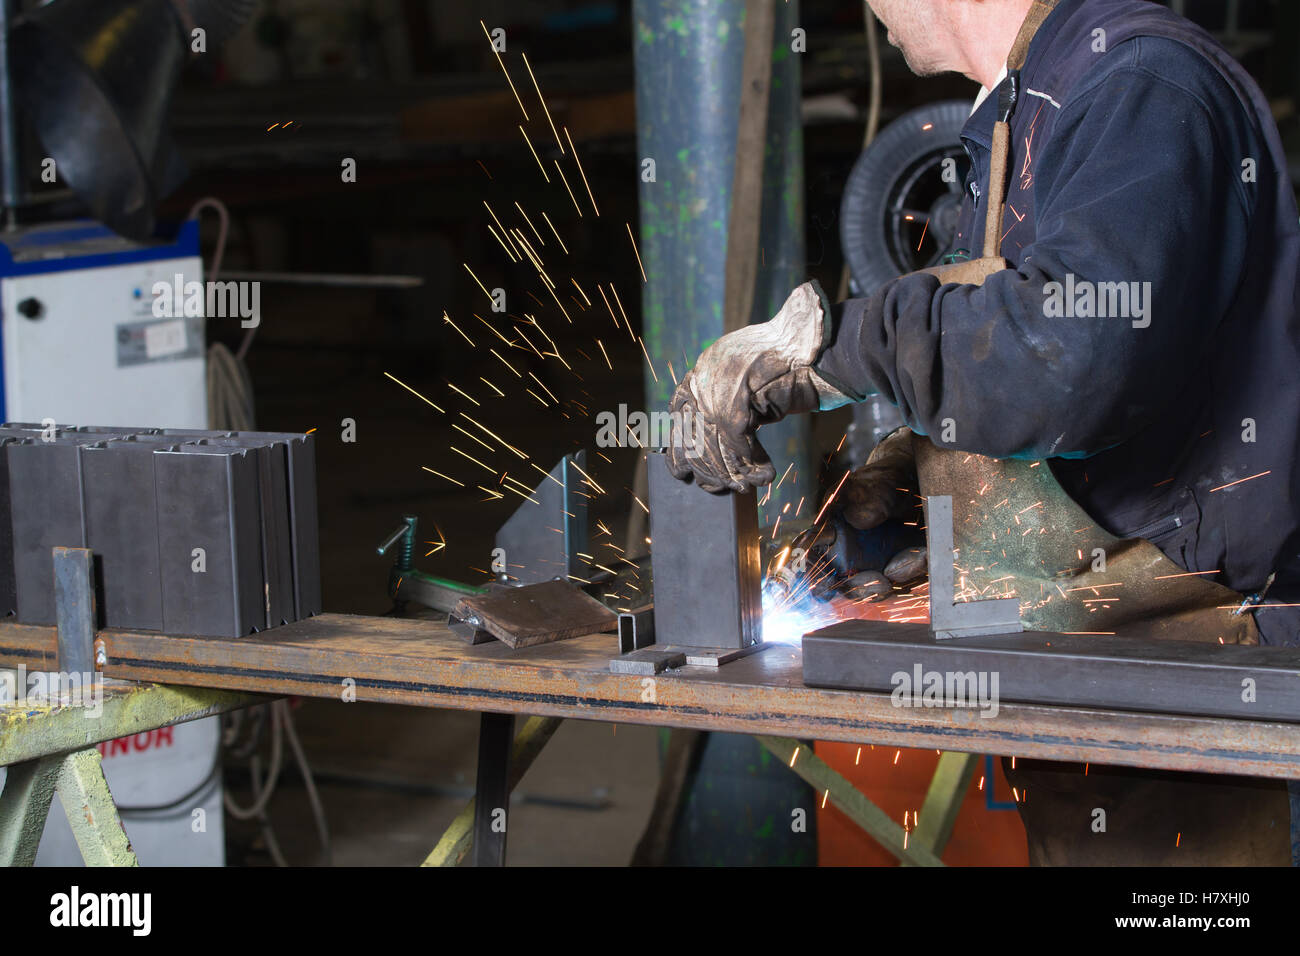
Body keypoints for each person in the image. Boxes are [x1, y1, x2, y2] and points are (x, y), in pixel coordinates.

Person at [667, 0, 1299, 865]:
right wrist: (928, 483)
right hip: (1106, 669)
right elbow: (1025, 356)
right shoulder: (1023, 105)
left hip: (1223, 664)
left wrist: (831, 348)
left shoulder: (1140, 85)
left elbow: (1071, 355)